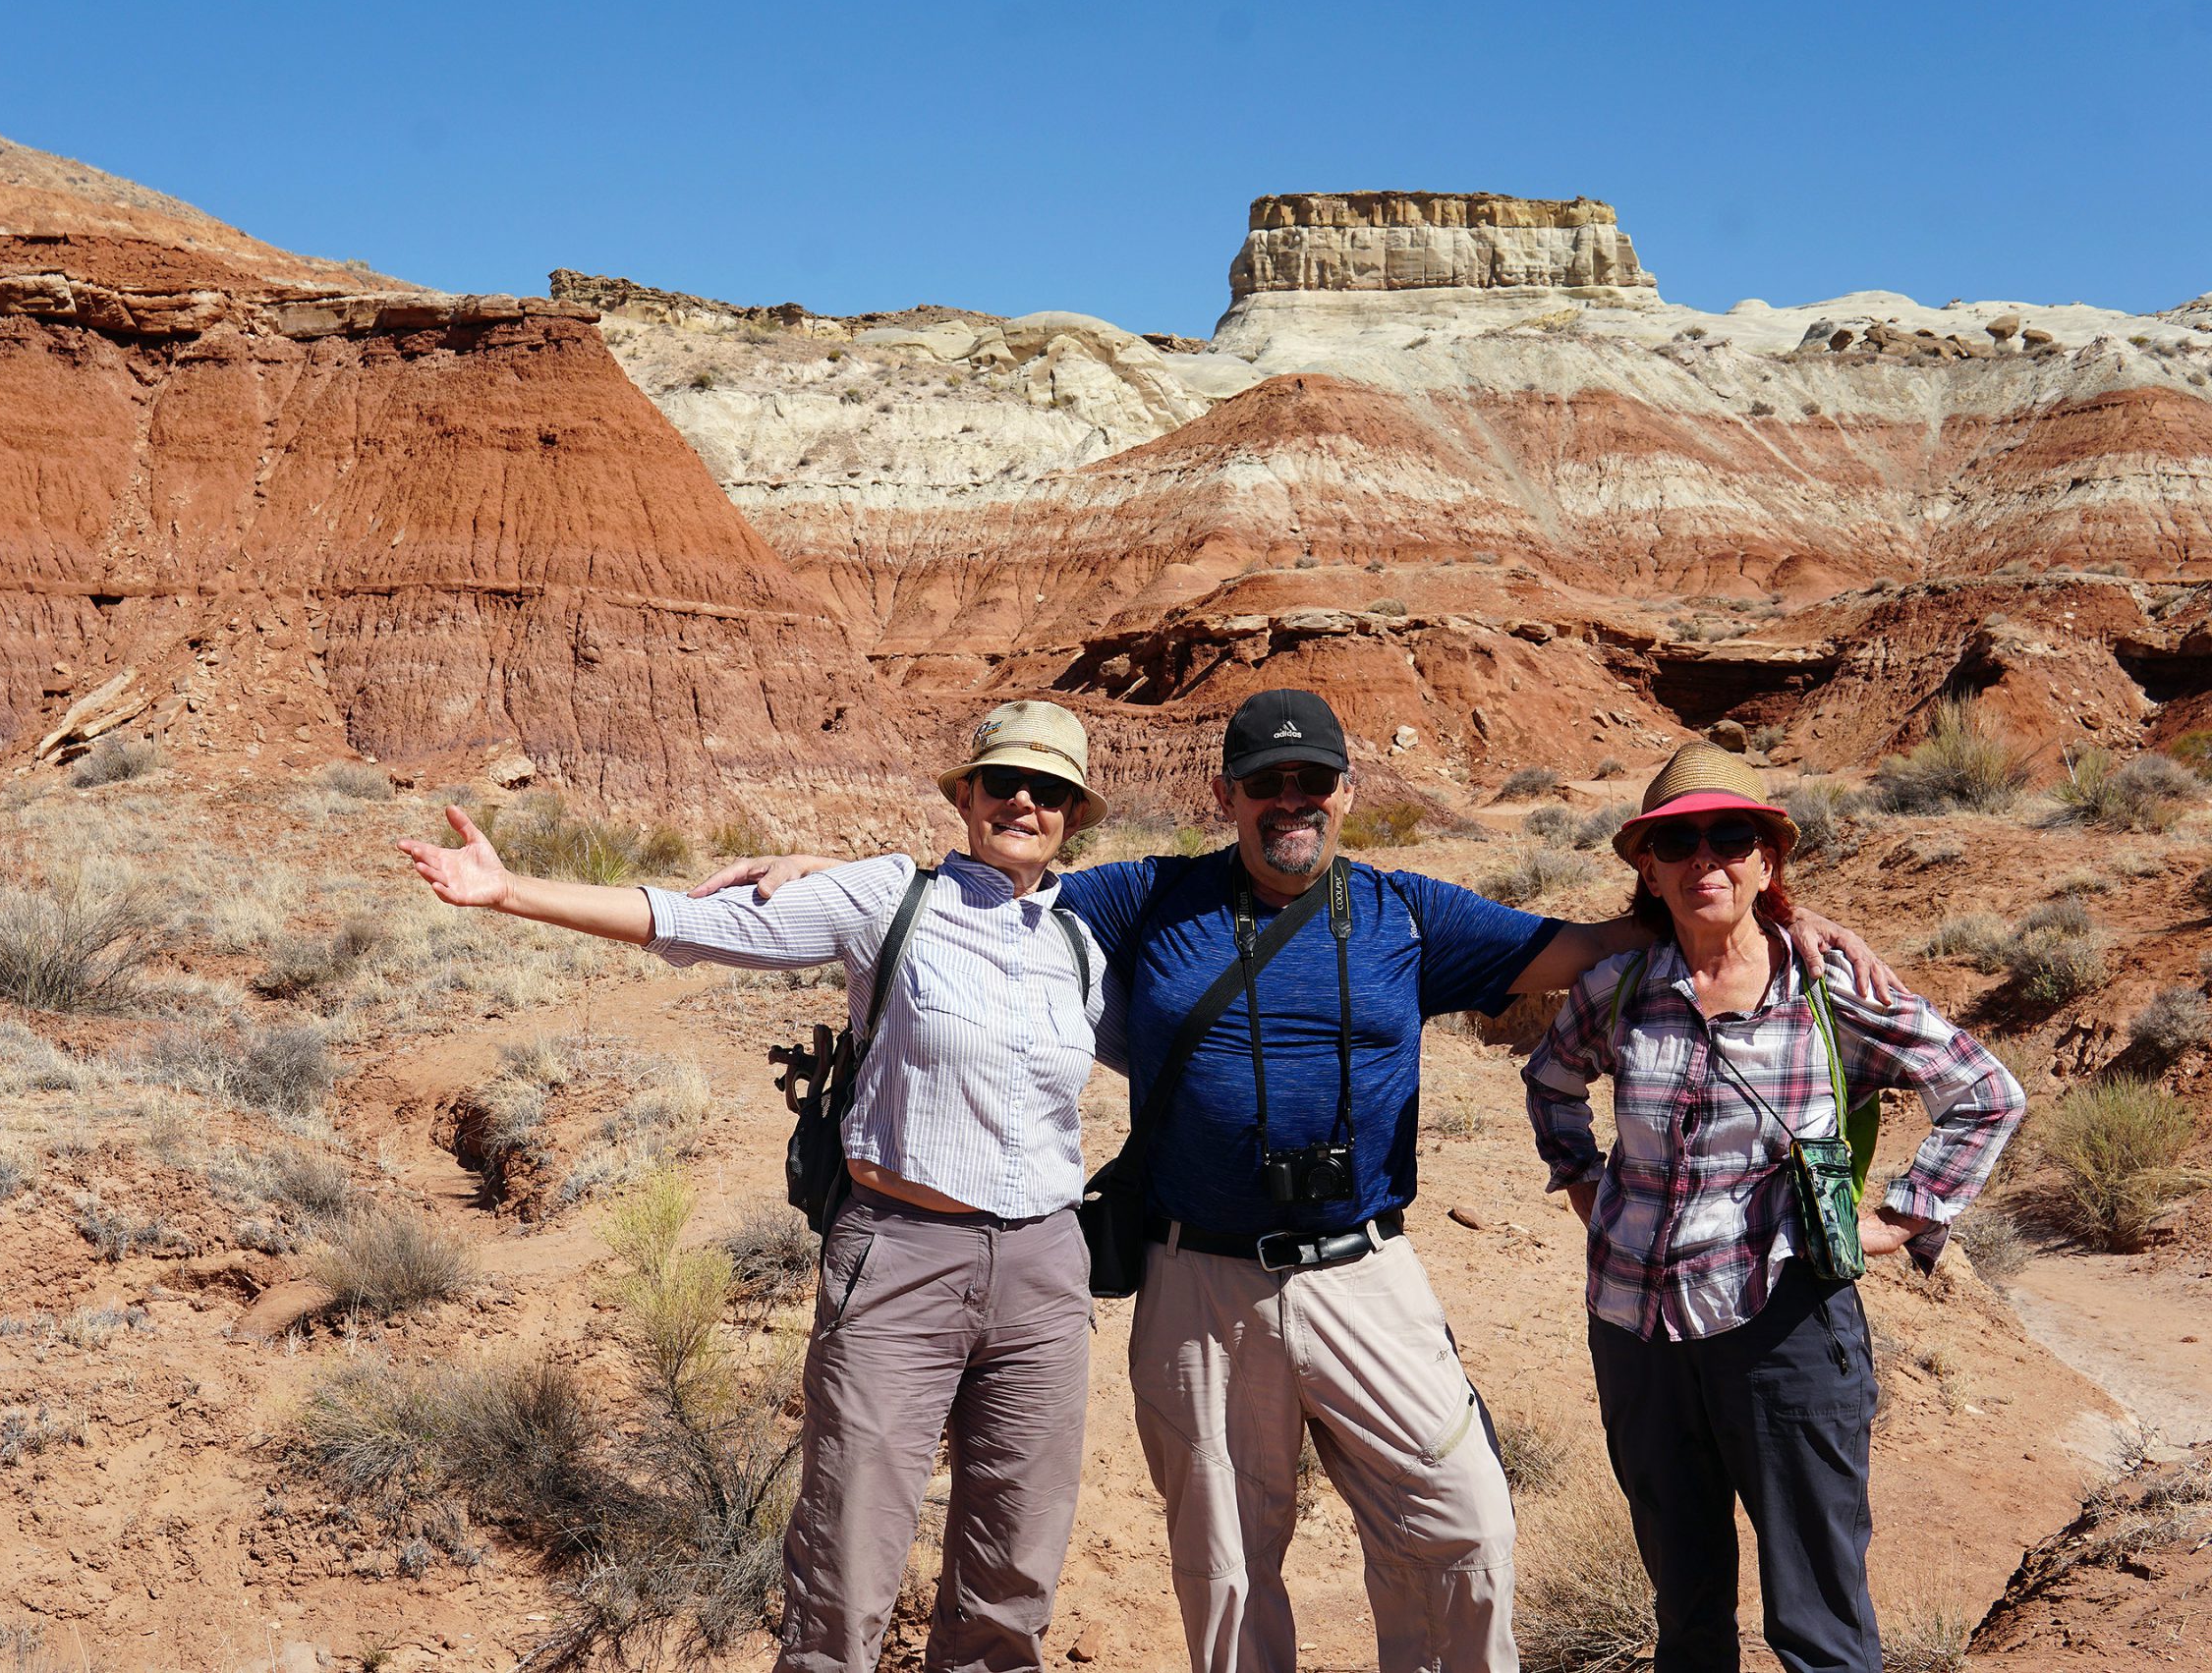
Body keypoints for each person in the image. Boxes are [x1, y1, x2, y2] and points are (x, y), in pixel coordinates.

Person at [697, 689, 1898, 1673]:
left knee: (1463, 1529)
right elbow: (989, 891)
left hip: (1365, 1270)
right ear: (1224, 796)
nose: (1290, 803)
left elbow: (1585, 942)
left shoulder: (1403, 913)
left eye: (1311, 782)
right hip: (1194, 1279)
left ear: (1342, 795)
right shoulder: (1143, 895)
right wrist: (831, 872)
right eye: (1265, 784)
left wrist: (1773, 917)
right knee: (1225, 1570)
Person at [398, 699, 1112, 1673]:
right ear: (967, 795)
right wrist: (510, 890)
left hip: (1042, 1267)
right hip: (903, 1253)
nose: (1024, 801)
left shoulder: (1079, 941)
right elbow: (697, 924)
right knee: (847, 1558)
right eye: (1003, 781)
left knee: (1015, 1566)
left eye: (1051, 789)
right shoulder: (887, 899)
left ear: (1074, 814)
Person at [1522, 743, 2022, 1673]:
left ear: (1768, 859)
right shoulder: (1620, 989)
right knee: (1687, 1611)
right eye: (1678, 840)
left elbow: (1985, 1091)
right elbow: (1549, 1081)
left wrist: (1903, 1218)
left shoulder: (1829, 988)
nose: (1704, 857)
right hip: (1636, 1331)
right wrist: (1586, 1185)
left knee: (1819, 1619)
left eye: (1731, 835)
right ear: (1648, 864)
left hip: (1786, 1328)